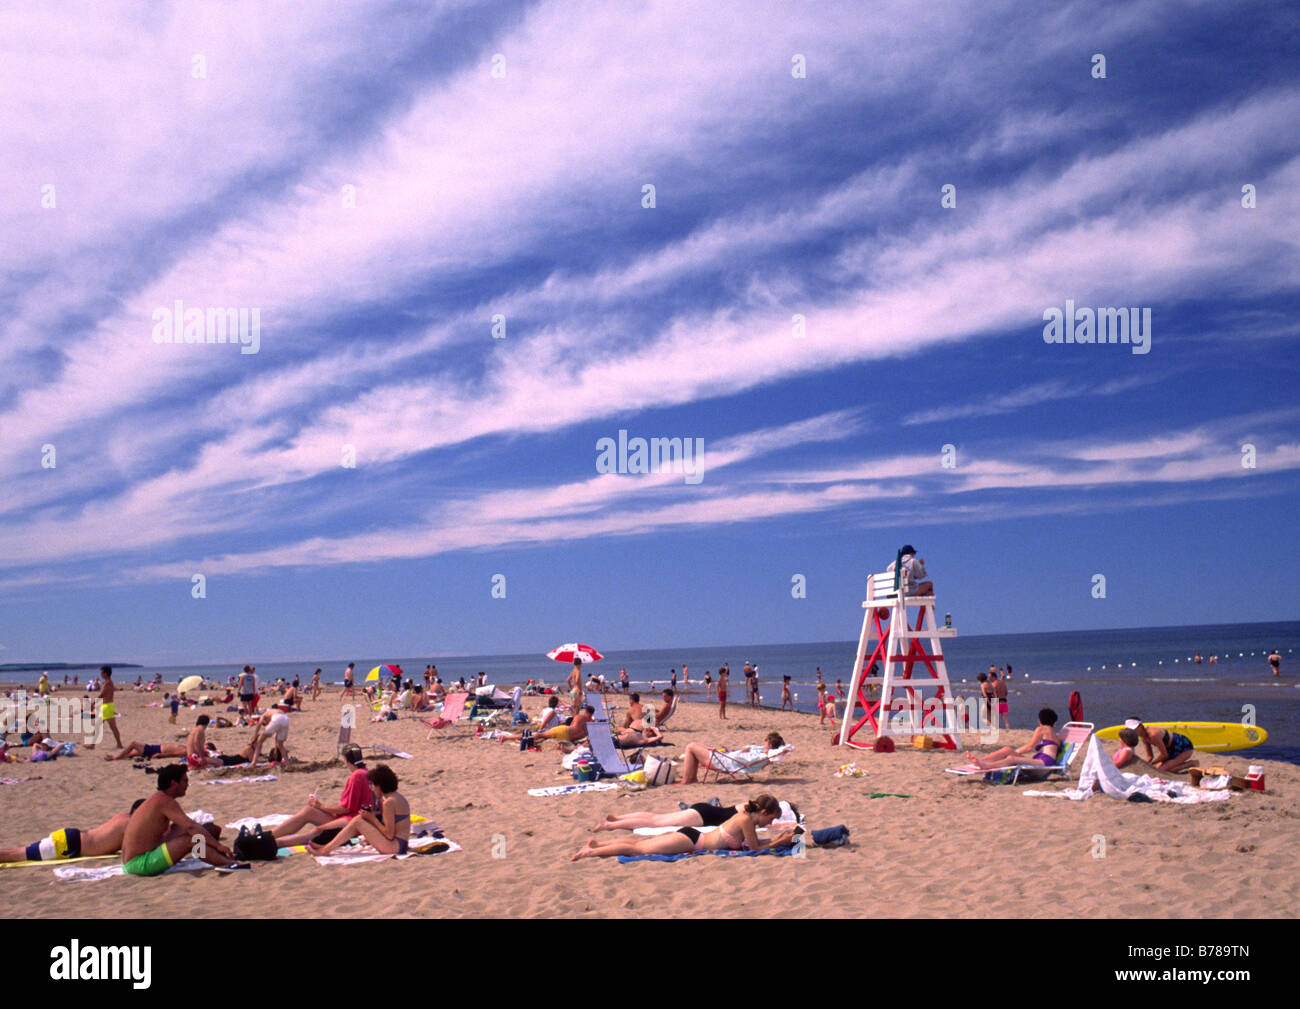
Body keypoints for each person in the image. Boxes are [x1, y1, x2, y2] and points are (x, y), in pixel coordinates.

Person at [572, 794, 794, 860]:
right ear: (764, 813)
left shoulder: (747, 818)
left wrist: (778, 839)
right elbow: (755, 848)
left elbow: (755, 844)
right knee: (638, 849)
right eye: (772, 819)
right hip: (692, 840)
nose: (771, 824)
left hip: (692, 837)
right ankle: (591, 851)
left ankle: (600, 843)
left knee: (640, 844)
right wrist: (780, 841)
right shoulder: (746, 820)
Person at [121, 764, 242, 875]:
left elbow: (187, 826)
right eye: (184, 781)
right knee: (192, 840)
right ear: (174, 783)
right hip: (139, 864)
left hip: (130, 862)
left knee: (186, 829)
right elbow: (191, 827)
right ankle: (227, 863)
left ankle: (220, 856)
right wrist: (217, 845)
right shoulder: (165, 801)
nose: (187, 785)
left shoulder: (157, 799)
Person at [274, 744, 375, 847]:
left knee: (318, 831)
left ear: (347, 760)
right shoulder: (365, 772)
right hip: (354, 817)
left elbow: (346, 809)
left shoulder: (356, 776)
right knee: (308, 811)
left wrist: (321, 806)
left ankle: (276, 842)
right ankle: (271, 835)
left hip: (354, 820)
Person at [309, 764, 410, 856]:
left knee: (358, 821)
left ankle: (325, 849)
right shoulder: (398, 798)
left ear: (380, 785)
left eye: (373, 785)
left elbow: (389, 834)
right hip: (401, 845)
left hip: (394, 847)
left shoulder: (389, 803)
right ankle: (327, 847)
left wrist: (372, 819)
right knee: (360, 820)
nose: (371, 788)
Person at [1, 801, 146, 863]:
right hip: (69, 845)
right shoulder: (129, 824)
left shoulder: (122, 817)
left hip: (70, 839)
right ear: (136, 812)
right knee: (15, 855)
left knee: (17, 852)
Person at [965, 708, 1060, 770]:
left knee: (1011, 758)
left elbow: (1030, 747)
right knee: (1007, 750)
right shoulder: (1054, 734)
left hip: (1044, 762)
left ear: (1040, 720)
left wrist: (1016, 753)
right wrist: (1013, 751)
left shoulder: (1042, 729)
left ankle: (985, 765)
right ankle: (981, 760)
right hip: (1042, 760)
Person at [677, 732, 786, 784]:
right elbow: (748, 750)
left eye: (766, 741)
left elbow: (742, 759)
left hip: (722, 762)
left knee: (691, 746)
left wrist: (738, 752)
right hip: (726, 758)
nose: (764, 742)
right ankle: (692, 778)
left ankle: (686, 780)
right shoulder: (762, 751)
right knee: (696, 745)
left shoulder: (761, 756)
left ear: (770, 745)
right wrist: (731, 751)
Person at [1128, 718, 1198, 773]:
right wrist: (1145, 764)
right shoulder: (1143, 737)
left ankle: (1191, 763)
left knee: (1162, 770)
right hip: (1170, 749)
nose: (1134, 731)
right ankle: (1180, 764)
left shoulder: (1153, 735)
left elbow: (1164, 755)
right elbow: (1149, 756)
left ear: (1140, 726)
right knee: (1160, 768)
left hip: (1183, 746)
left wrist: (1152, 764)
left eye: (1135, 729)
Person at [95, 666, 123, 750]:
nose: (101, 674)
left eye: (102, 673)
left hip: (106, 706)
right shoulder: (110, 682)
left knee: (98, 725)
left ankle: (92, 744)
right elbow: (111, 689)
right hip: (109, 706)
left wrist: (94, 702)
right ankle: (119, 744)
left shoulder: (107, 683)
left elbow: (103, 694)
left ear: (105, 674)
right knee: (113, 727)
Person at [104, 739, 187, 762]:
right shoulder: (187, 747)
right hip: (155, 748)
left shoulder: (186, 751)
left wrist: (160, 755)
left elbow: (173, 754)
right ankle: (115, 757)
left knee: (133, 743)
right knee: (132, 754)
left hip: (155, 751)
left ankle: (116, 757)